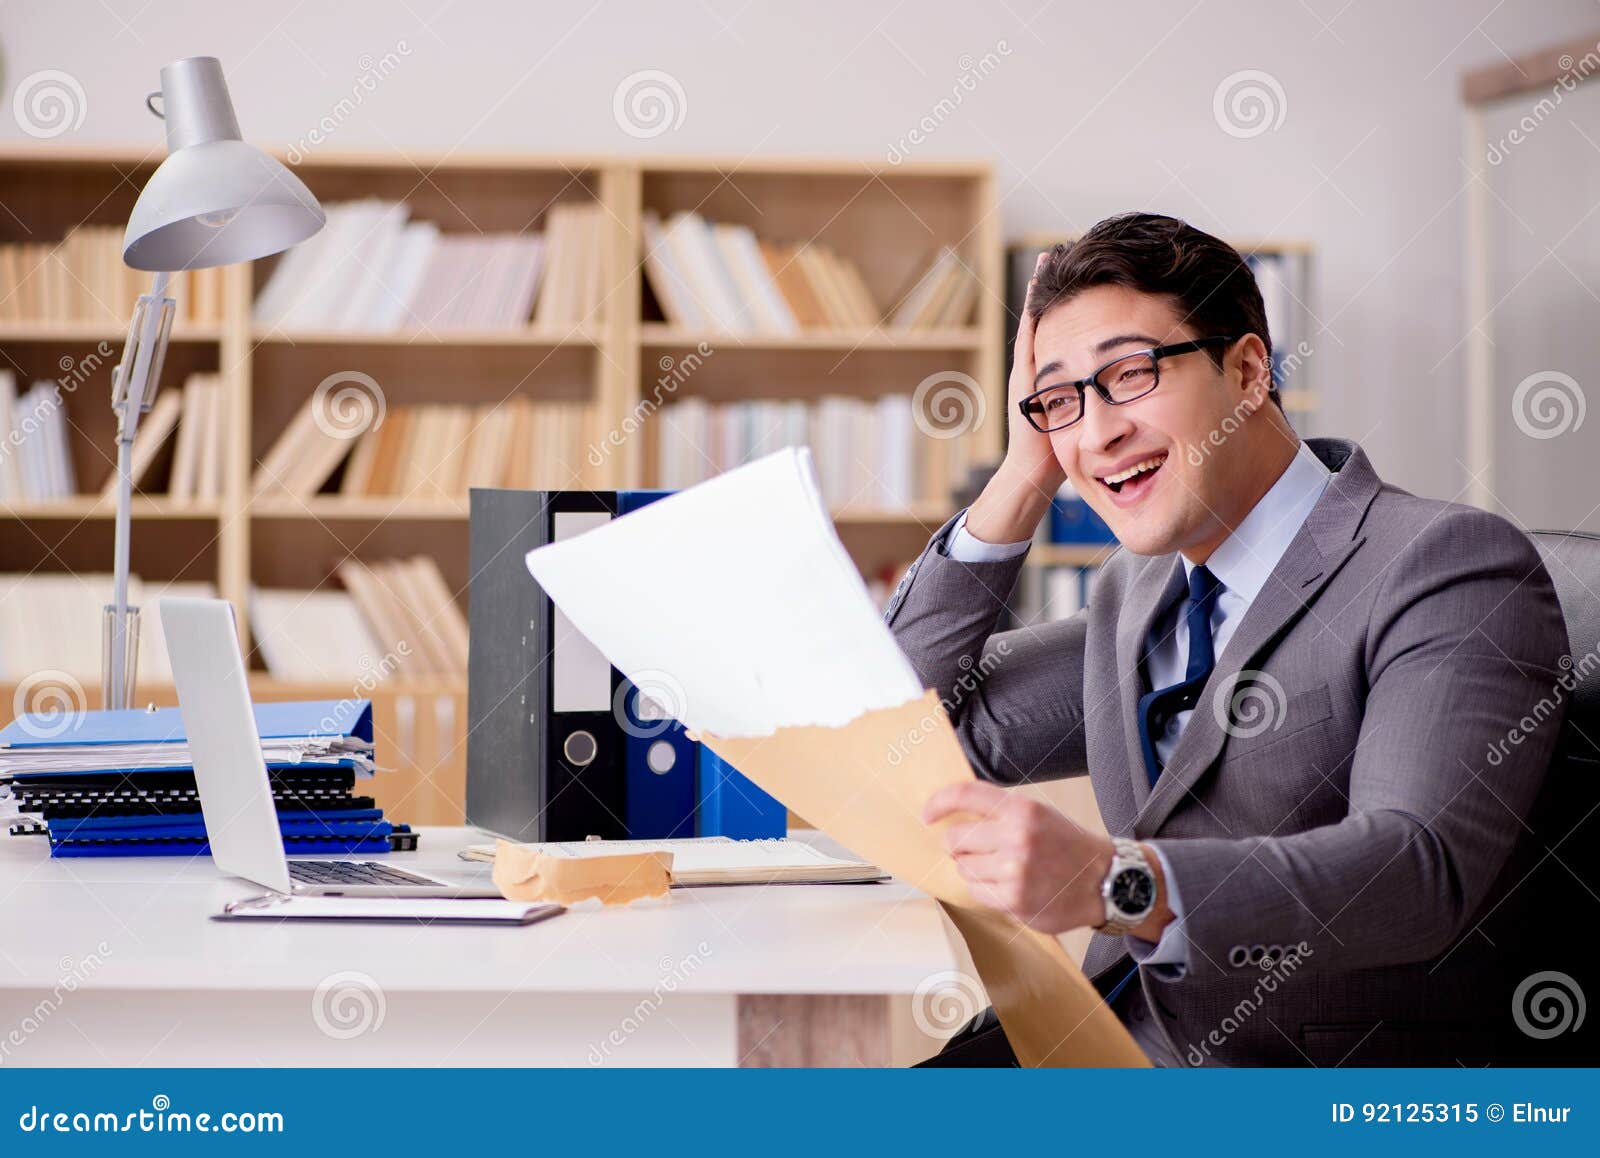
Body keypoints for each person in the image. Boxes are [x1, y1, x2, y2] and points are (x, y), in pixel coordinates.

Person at [886, 213, 1571, 1066]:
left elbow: (1414, 870)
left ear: (1248, 371)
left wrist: (1114, 882)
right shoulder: (1135, 588)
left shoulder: (1442, 565)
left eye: (1131, 375)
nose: (1097, 434)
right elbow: (904, 726)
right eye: (1061, 399)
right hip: (1099, 1042)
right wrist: (1027, 471)